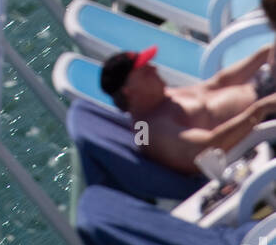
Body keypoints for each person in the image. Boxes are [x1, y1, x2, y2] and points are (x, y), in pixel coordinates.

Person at [100, 46, 276, 175]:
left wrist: (262, 54)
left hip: (265, 88)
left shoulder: (162, 97)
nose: (155, 68)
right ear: (128, 91)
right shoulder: (152, 130)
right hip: (265, 123)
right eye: (146, 71)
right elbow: (209, 147)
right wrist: (261, 109)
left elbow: (218, 84)